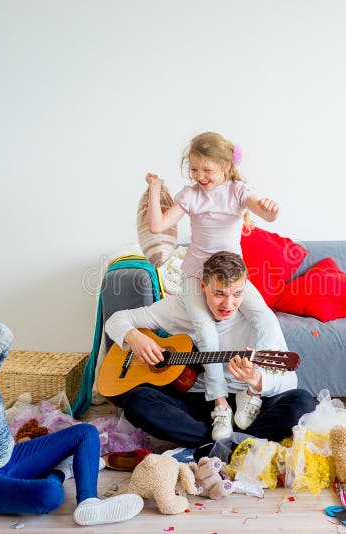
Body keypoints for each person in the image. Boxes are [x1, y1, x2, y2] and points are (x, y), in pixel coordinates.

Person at [0, 296, 143, 526]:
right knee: (50, 495)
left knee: (86, 432)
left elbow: (3, 338)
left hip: (6, 456)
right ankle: (61, 470)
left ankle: (89, 503)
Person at [145, 131, 282, 441]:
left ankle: (251, 392)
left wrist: (268, 209)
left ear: (225, 166)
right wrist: (155, 189)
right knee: (206, 333)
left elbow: (260, 207)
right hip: (197, 276)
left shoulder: (237, 191)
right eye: (194, 169)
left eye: (207, 169)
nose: (200, 176)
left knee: (265, 318)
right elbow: (157, 226)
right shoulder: (190, 195)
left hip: (232, 279)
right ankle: (220, 405)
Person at [104, 251, 316, 448]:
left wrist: (257, 381)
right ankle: (235, 443)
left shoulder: (258, 318)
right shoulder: (178, 308)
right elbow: (116, 320)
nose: (228, 304)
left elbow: (290, 380)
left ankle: (222, 444)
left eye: (236, 294)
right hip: (199, 400)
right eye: (219, 294)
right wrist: (134, 337)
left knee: (303, 401)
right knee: (136, 401)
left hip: (250, 405)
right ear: (203, 286)